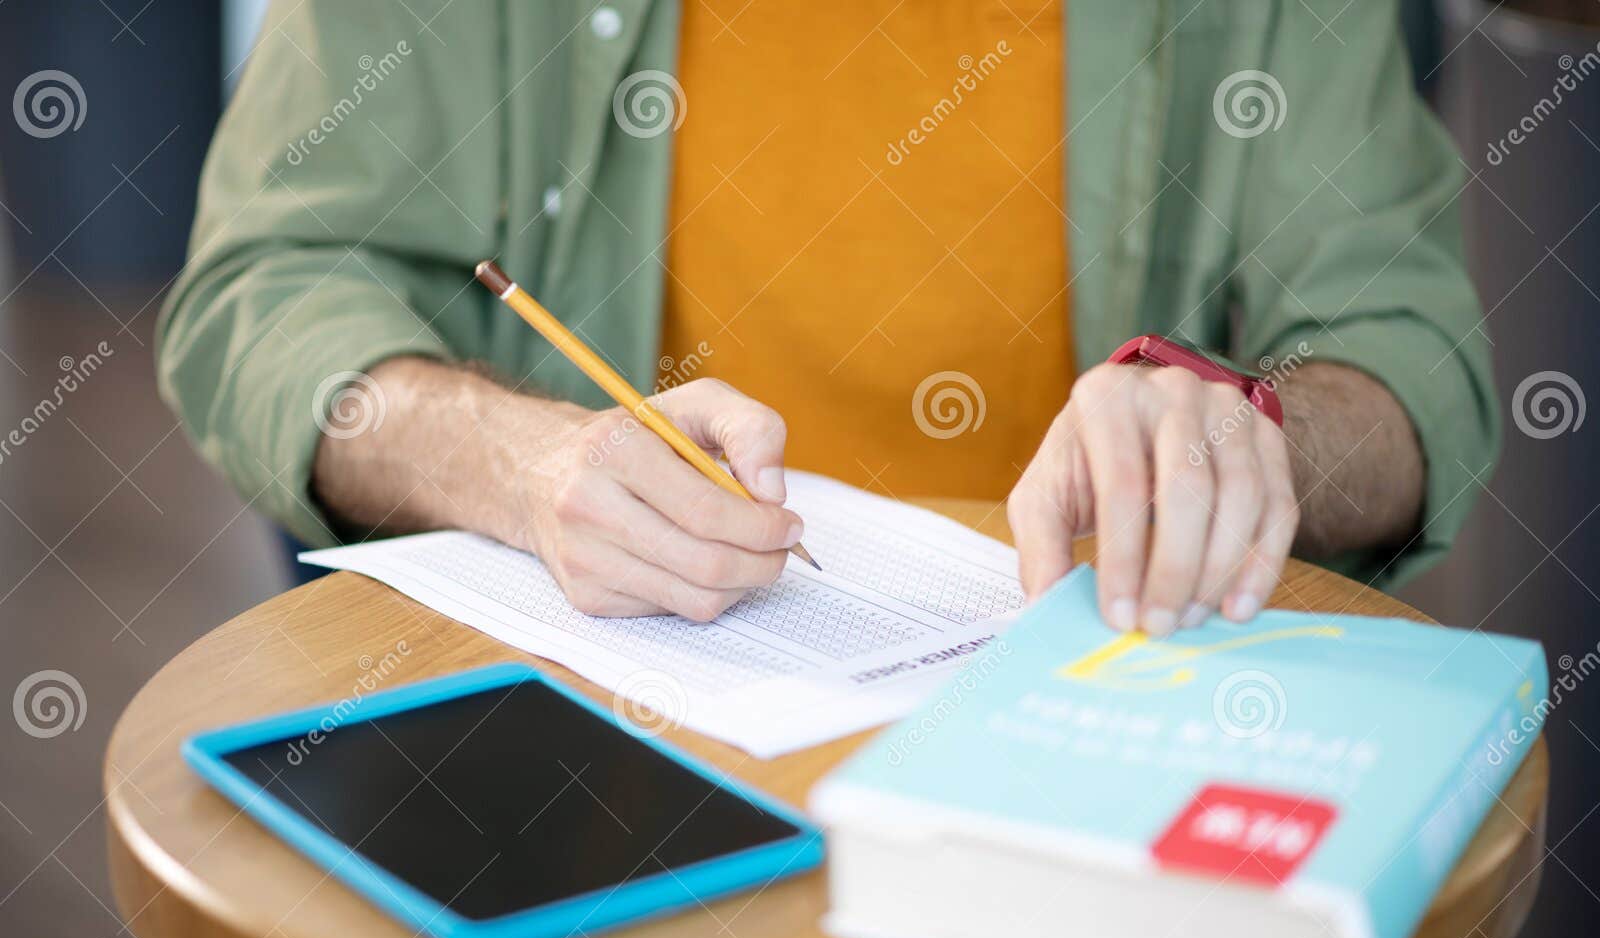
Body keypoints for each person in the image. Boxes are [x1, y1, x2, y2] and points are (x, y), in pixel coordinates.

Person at [158, 0, 1493, 636]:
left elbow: (1408, 356)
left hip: (1104, 707)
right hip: (600, 721)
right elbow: (261, 289)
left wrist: (1249, 438)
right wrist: (521, 463)